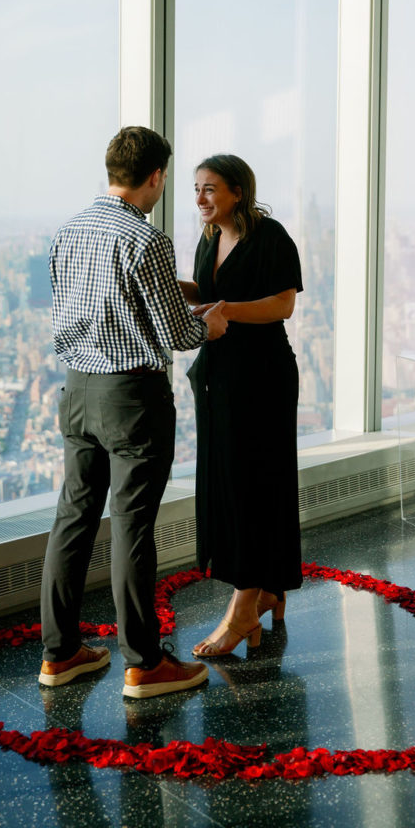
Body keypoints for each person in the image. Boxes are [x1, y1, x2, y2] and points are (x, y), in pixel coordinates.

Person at [39, 127, 228, 697]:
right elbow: (176, 332)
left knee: (73, 518)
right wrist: (211, 325)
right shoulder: (146, 239)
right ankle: (145, 663)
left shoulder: (68, 230)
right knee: (132, 527)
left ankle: (59, 654)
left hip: (77, 391)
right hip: (131, 400)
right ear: (156, 176)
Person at [180, 154, 303, 657]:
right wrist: (174, 288)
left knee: (256, 486)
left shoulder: (270, 237)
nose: (199, 198)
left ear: (238, 191)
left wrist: (224, 308)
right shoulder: (209, 239)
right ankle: (266, 588)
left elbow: (283, 304)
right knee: (232, 486)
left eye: (209, 189)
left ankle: (244, 608)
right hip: (220, 377)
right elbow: (211, 292)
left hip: (263, 377)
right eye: (196, 189)